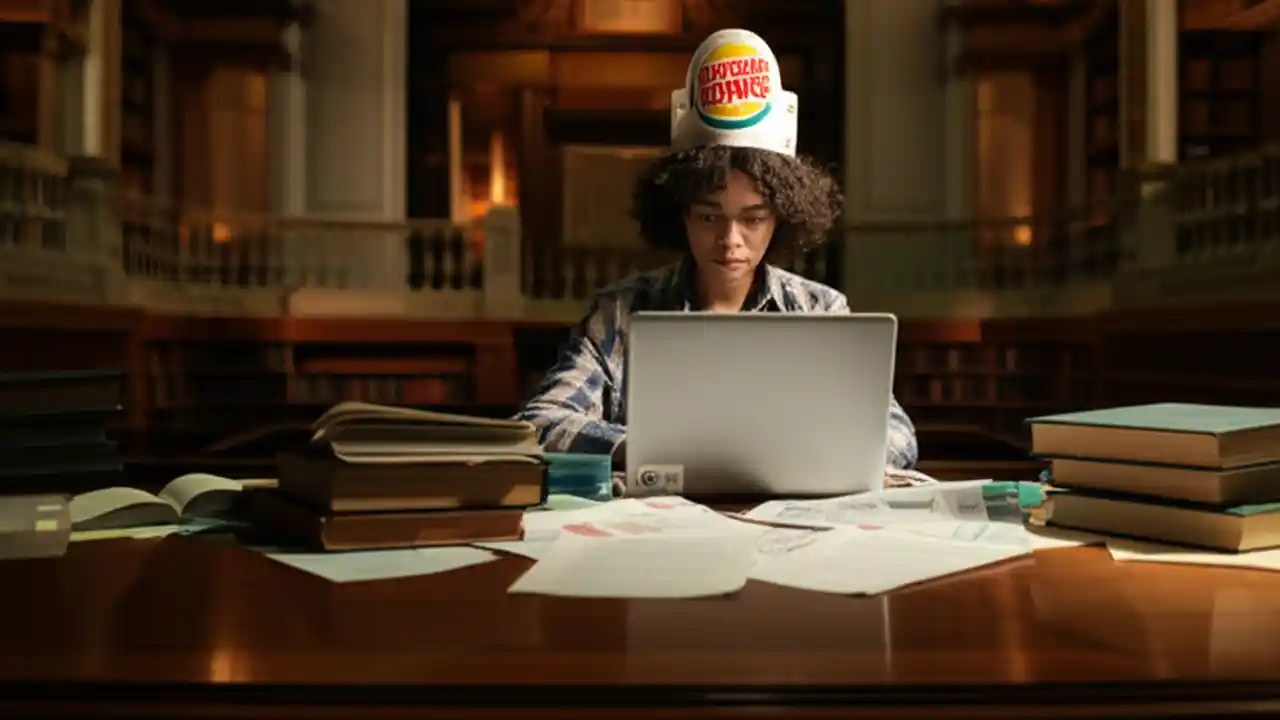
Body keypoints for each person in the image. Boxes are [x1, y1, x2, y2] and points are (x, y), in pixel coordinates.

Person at [514, 28, 918, 472]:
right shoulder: (619, 314)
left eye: (753, 218)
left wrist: (777, 454)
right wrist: (661, 450)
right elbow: (540, 424)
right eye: (709, 217)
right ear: (680, 214)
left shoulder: (820, 309)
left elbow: (896, 436)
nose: (730, 240)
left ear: (781, 217)